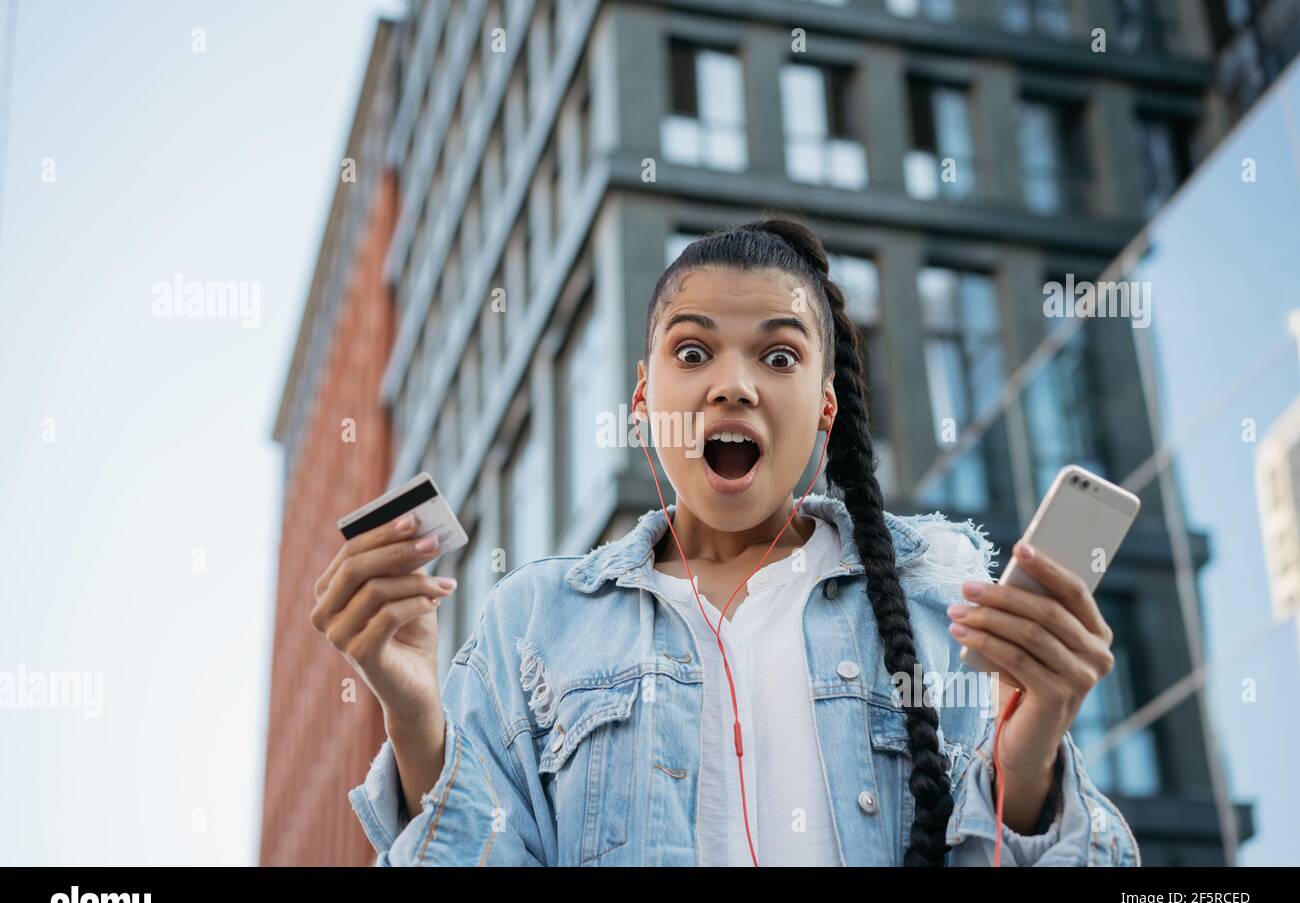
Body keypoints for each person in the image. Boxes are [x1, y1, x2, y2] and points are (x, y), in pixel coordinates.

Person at [311, 216, 1140, 867]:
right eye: (694, 351)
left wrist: (1026, 770)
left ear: (825, 406)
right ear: (644, 399)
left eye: (779, 356)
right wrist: (415, 718)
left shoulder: (942, 606)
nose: (734, 384)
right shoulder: (532, 621)